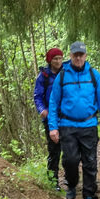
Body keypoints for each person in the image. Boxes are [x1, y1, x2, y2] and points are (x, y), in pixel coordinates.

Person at [48, 41, 100, 199]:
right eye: (75, 55)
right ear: (70, 56)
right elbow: (53, 103)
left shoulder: (94, 75)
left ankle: (89, 195)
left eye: (81, 55)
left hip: (89, 124)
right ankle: (72, 184)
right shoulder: (62, 76)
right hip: (67, 125)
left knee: (90, 162)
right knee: (70, 160)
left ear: (85, 56)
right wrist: (53, 127)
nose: (78, 58)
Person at [32, 47, 64, 189]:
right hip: (50, 119)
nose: (58, 61)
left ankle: (70, 178)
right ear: (50, 60)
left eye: (60, 58)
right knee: (54, 150)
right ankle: (53, 182)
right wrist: (42, 110)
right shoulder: (43, 77)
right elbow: (37, 96)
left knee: (70, 149)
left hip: (67, 117)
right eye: (55, 59)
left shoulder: (66, 73)